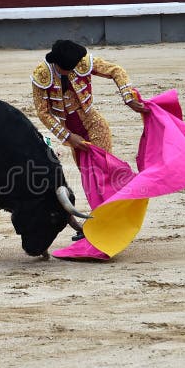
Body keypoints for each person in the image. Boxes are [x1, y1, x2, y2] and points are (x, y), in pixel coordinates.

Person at [31, 39, 146, 240]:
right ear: (57, 64)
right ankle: (102, 221)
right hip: (73, 134)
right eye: (69, 68)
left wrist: (128, 97)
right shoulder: (42, 74)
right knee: (90, 180)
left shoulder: (80, 61)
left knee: (105, 173)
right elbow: (43, 113)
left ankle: (109, 219)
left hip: (94, 124)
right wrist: (67, 136)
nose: (74, 69)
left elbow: (115, 70)